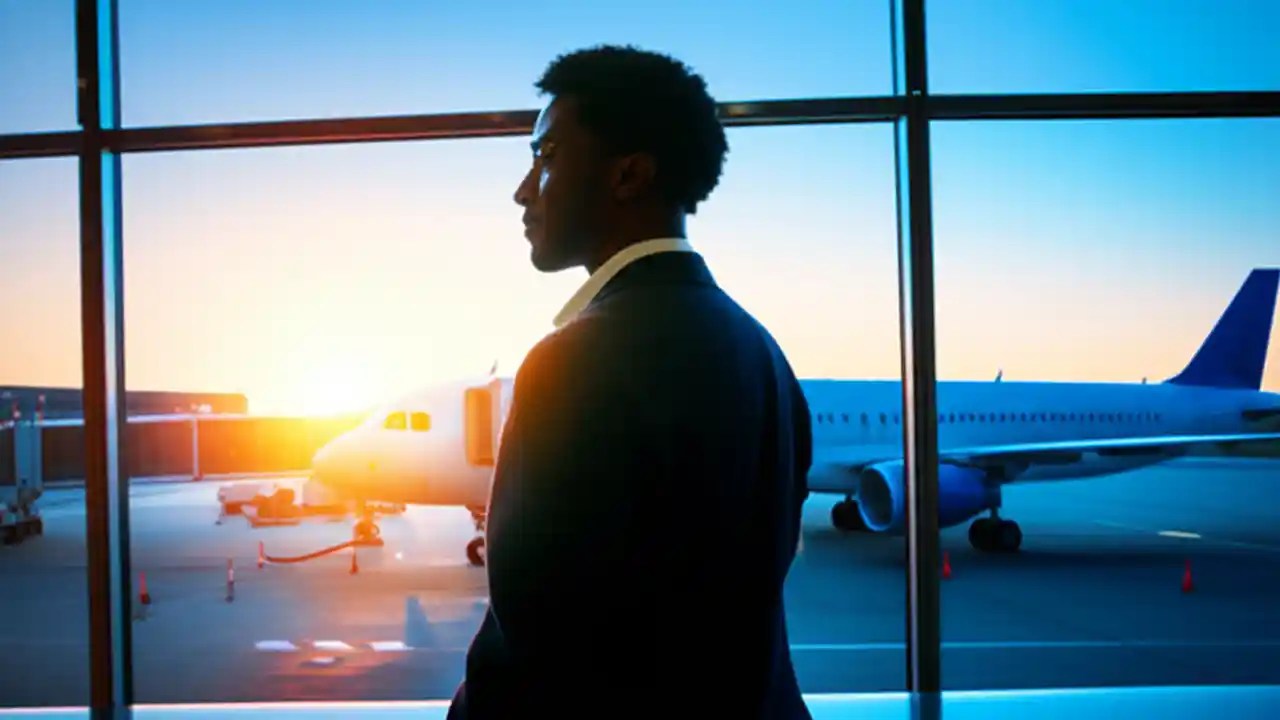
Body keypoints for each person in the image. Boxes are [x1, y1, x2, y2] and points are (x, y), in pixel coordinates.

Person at [448, 45, 813, 720]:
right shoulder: (761, 350)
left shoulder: (575, 359)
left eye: (546, 154)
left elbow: (533, 646)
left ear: (629, 175)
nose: (524, 188)